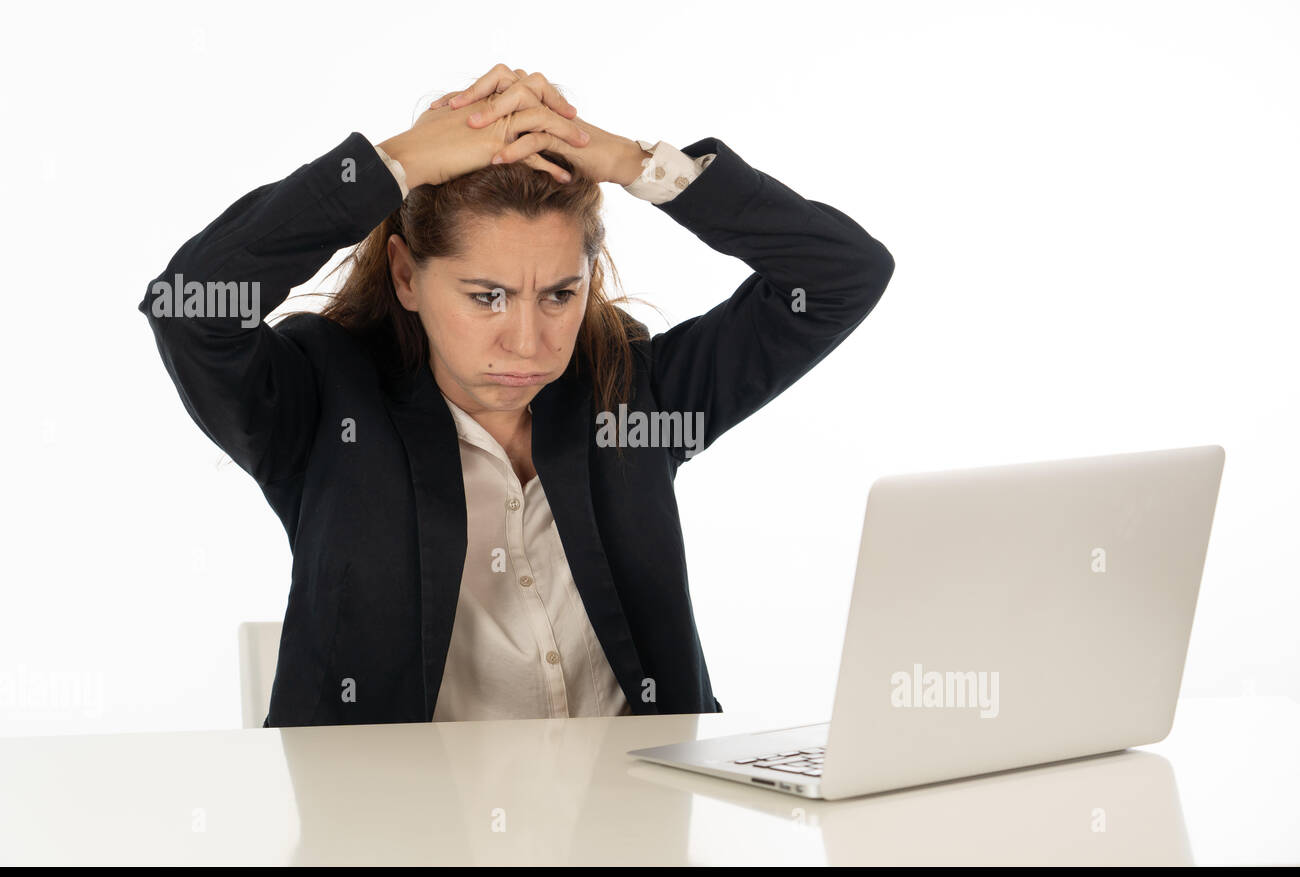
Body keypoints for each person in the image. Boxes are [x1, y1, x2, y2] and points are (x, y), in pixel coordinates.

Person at [139, 64, 896, 728]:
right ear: (406, 275)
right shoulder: (324, 405)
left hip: (638, 826)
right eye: (486, 296)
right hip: (394, 836)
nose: (529, 343)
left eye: (560, 294)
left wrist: (636, 165)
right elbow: (189, 306)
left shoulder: (633, 395)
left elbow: (841, 276)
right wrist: (394, 164)